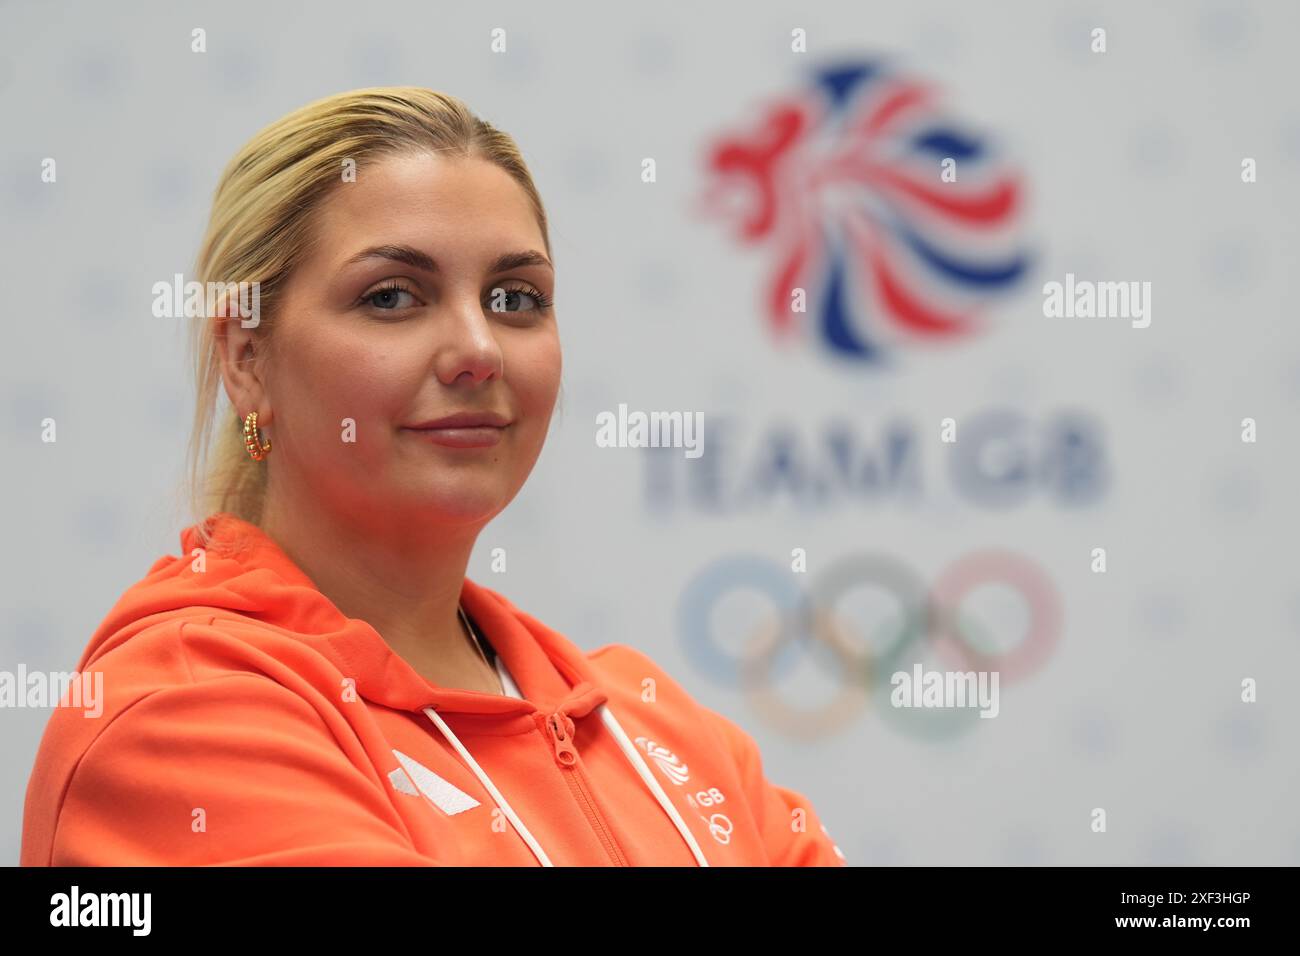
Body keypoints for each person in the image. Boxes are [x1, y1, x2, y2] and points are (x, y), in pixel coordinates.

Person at [20, 87, 847, 867]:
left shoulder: (651, 723)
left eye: (516, 298)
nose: (479, 350)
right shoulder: (183, 715)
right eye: (391, 297)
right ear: (246, 359)